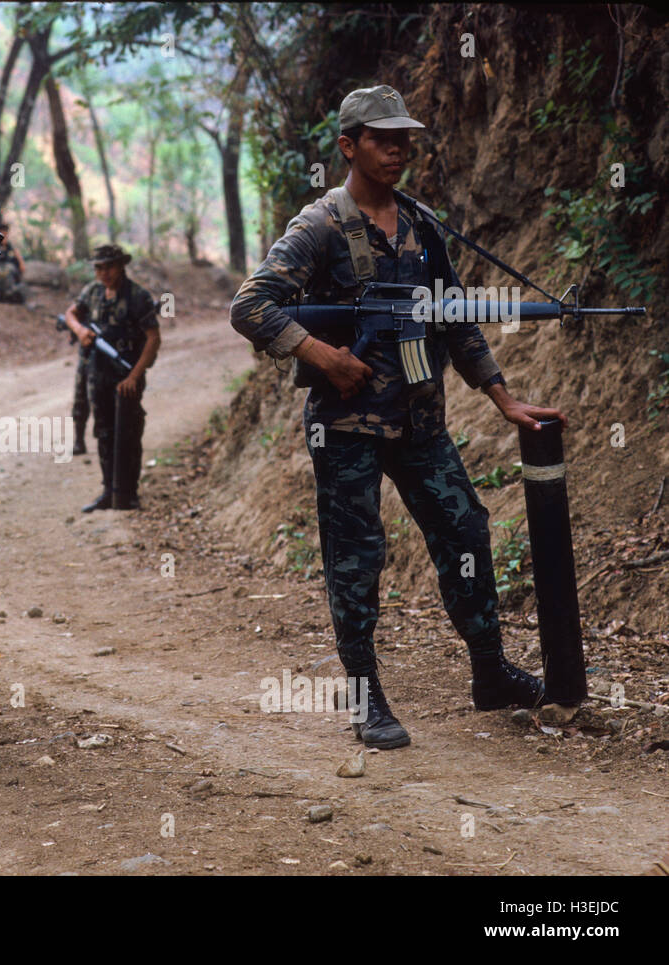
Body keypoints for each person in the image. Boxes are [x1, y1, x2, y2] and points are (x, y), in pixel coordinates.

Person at [229, 86, 559, 749]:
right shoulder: (320, 225)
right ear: (349, 145)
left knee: (466, 529)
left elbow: (458, 319)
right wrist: (322, 355)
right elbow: (251, 305)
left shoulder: (424, 223)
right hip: (347, 426)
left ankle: (490, 671)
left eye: (405, 137)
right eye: (384, 138)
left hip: (421, 422)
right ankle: (365, 696)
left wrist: (503, 398)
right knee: (356, 560)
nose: (399, 149)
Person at [62, 244, 161, 512]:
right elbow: (71, 314)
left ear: (121, 266)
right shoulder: (93, 292)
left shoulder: (137, 296)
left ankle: (128, 492)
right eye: (98, 267)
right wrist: (80, 331)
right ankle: (109, 490)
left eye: (109, 266)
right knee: (104, 431)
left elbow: (153, 339)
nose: (104, 272)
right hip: (98, 372)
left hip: (127, 372)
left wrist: (134, 376)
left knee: (128, 431)